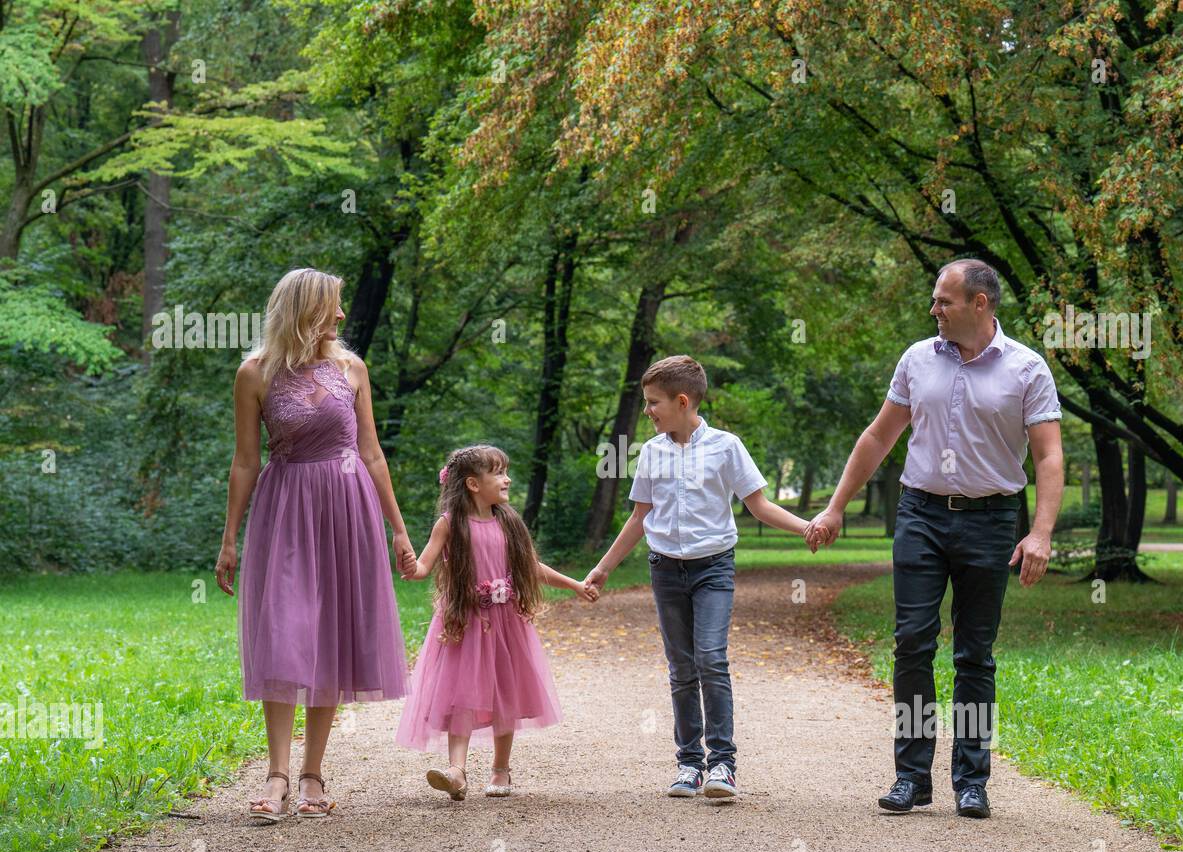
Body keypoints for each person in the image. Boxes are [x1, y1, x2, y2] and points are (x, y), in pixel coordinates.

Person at [809, 259, 1064, 819]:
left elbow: (1048, 455)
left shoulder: (1026, 368)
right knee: (913, 643)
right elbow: (879, 437)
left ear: (980, 303)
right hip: (920, 514)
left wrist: (1040, 534)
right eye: (934, 300)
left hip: (993, 519)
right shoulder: (917, 359)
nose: (934, 310)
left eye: (944, 301)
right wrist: (834, 508)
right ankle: (911, 777)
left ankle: (972, 782)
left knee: (975, 655)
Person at [217, 267, 414, 822]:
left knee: (331, 632)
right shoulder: (254, 374)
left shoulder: (352, 368)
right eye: (333, 305)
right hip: (285, 509)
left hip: (347, 509)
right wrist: (229, 538)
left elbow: (373, 453)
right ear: (304, 309)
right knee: (282, 632)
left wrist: (398, 529)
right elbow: (245, 460)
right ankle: (276, 775)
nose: (342, 315)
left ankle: (312, 776)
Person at [584, 355, 817, 799]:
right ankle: (689, 764)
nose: (648, 411)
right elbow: (639, 518)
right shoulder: (650, 452)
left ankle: (723, 765)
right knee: (681, 667)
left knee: (711, 658)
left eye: (654, 403)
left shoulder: (727, 447)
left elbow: (759, 506)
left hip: (713, 568)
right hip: (665, 570)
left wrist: (805, 526)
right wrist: (603, 568)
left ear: (683, 400)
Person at [395, 445, 596, 798]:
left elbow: (530, 568)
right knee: (461, 694)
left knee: (505, 691)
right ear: (473, 484)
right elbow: (425, 566)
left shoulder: (509, 521)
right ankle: (456, 771)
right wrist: (412, 568)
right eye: (499, 473)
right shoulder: (449, 523)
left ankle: (501, 770)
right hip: (464, 622)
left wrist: (574, 585)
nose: (508, 479)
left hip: (506, 624)